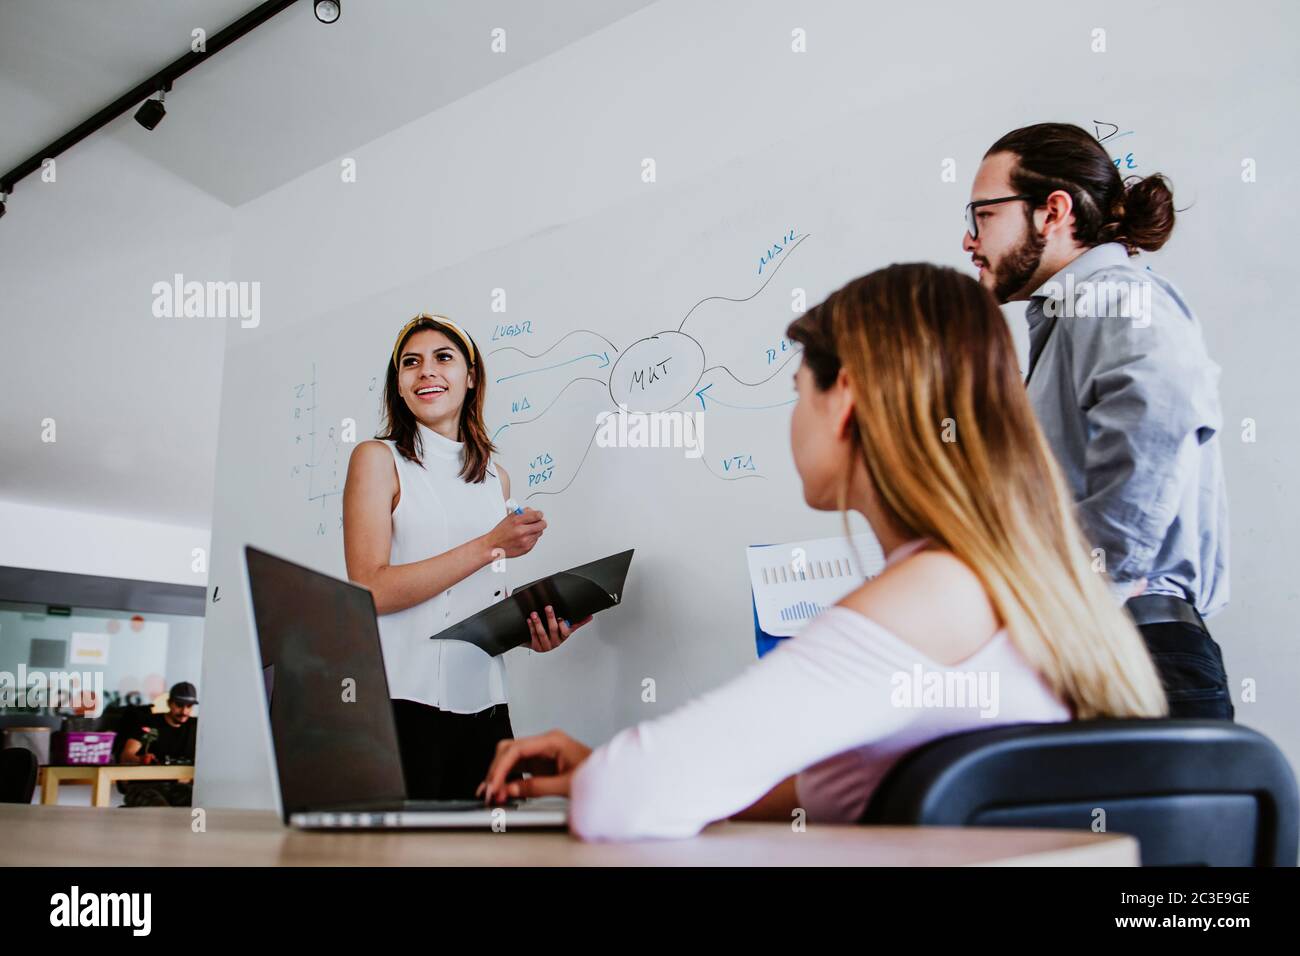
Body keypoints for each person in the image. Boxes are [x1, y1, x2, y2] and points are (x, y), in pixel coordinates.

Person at [477, 263, 1167, 840]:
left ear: (846, 399)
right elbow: (831, 786)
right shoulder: (1017, 581)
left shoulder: (936, 592)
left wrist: (608, 775)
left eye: (797, 390)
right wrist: (602, 763)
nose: (794, 415)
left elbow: (619, 802)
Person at [963, 122, 1231, 719]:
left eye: (982, 214)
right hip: (1112, 644)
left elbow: (1160, 417)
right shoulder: (1076, 312)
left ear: (1051, 211)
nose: (968, 238)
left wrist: (1083, 599)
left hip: (1133, 650)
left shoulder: (1111, 298)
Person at [344, 313, 591, 801]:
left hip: (487, 709)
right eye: (410, 363)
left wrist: (528, 631)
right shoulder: (377, 459)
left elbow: (464, 606)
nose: (426, 372)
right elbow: (370, 589)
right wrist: (491, 544)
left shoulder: (495, 479)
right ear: (399, 383)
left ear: (471, 376)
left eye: (443, 358)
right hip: (401, 706)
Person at [120, 681, 198, 807]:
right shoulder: (148, 723)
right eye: (179, 705)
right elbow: (126, 755)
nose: (184, 711)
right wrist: (141, 759)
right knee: (160, 809)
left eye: (189, 706)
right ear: (169, 703)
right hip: (143, 785)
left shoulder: (196, 727)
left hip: (176, 787)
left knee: (197, 803)